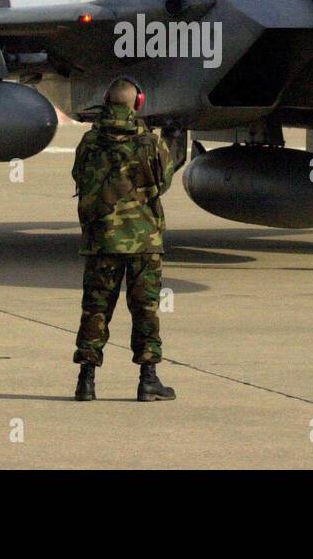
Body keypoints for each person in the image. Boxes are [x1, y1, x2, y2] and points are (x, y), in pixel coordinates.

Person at [71, 76, 176, 402]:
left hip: (102, 241)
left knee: (95, 310)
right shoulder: (150, 144)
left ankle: (85, 382)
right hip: (143, 243)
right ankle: (148, 380)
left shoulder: (90, 143)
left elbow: (79, 177)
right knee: (145, 311)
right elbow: (164, 182)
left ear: (106, 100)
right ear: (138, 103)